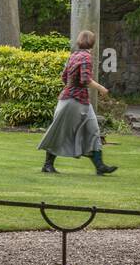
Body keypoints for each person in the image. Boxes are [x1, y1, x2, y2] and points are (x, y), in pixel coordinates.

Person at [37, 30, 117, 175]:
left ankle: (100, 166)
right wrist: (101, 88)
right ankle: (47, 165)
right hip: (73, 101)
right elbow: (85, 79)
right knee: (61, 132)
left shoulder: (73, 56)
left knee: (93, 130)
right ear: (93, 43)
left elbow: (64, 77)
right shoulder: (86, 57)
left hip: (79, 100)